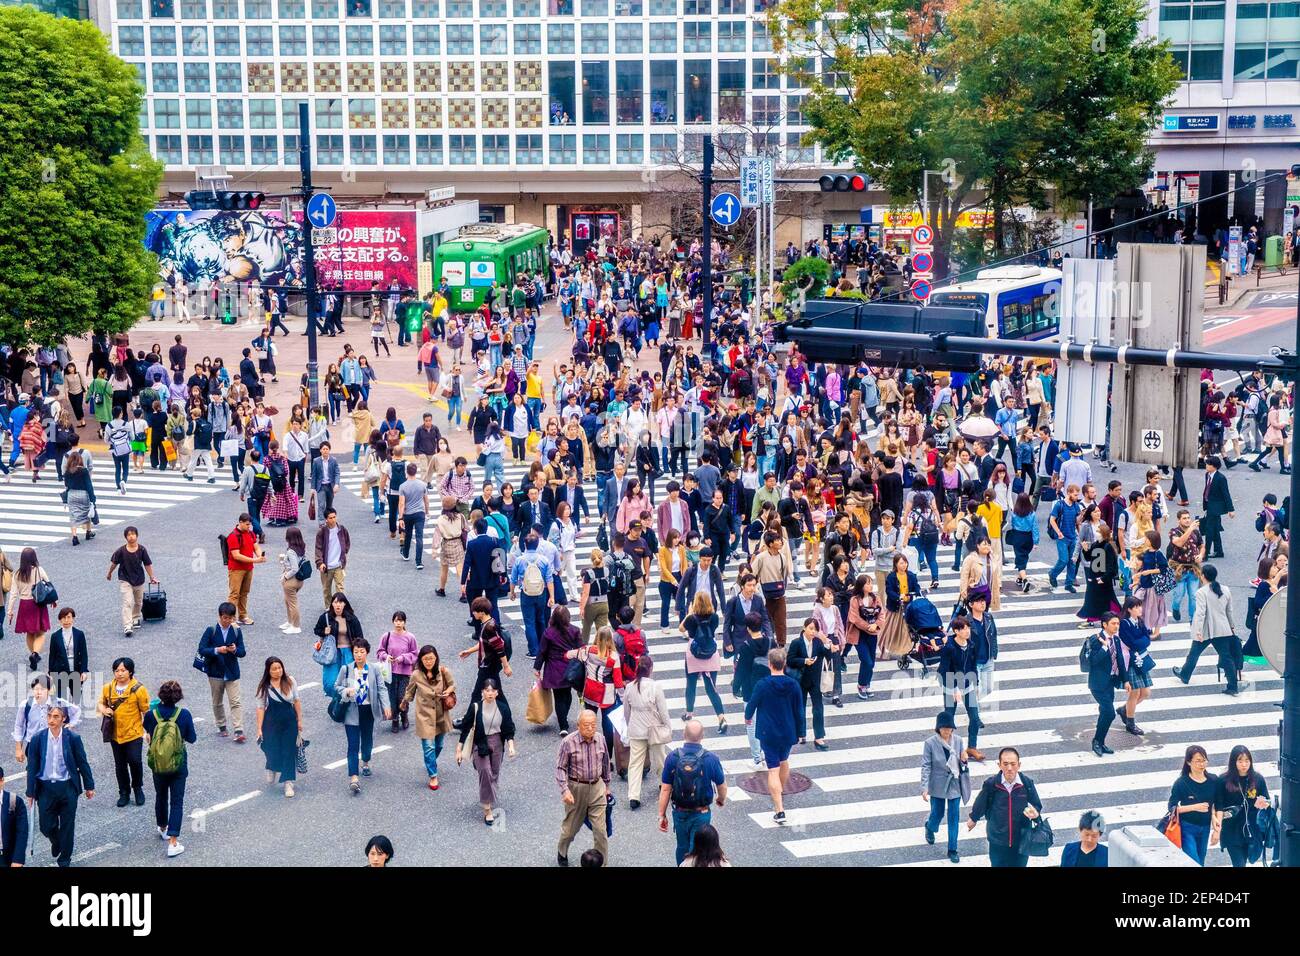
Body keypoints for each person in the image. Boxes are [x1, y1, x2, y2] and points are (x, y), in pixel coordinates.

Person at [24, 701, 95, 868]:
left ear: (64, 719)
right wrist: (30, 792)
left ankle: (65, 858)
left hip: (67, 787)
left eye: (56, 716)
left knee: (68, 825)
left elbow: (82, 762)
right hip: (46, 788)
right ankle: (56, 841)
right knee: (45, 826)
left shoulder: (73, 739)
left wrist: (89, 786)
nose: (51, 720)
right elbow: (32, 766)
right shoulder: (37, 739)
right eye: (49, 716)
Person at [745, 647, 803, 825]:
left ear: (769, 664)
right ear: (784, 663)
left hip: (768, 732)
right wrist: (801, 732)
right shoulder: (793, 684)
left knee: (772, 769)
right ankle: (780, 790)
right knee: (784, 760)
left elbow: (752, 704)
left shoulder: (763, 684)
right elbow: (799, 711)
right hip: (788, 730)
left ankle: (779, 809)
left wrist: (747, 717)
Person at [656, 718, 727, 865]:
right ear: (703, 736)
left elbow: (666, 788)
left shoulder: (673, 757)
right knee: (699, 850)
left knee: (682, 847)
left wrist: (661, 814)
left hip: (680, 812)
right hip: (701, 813)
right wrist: (720, 799)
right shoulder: (710, 758)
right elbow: (721, 785)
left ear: (684, 734)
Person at [142, 679, 197, 858]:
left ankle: (163, 827)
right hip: (178, 763)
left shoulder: (151, 715)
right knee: (177, 801)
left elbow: (148, 733)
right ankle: (173, 842)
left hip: (158, 763)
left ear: (160, 696)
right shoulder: (184, 714)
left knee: (161, 795)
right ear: (178, 697)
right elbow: (192, 738)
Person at [967, 747, 1042, 867]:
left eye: (1013, 764)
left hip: (1021, 840)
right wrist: (973, 818)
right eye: (1005, 764)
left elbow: (1036, 804)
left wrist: (1035, 813)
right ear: (999, 765)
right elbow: (981, 802)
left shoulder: (1026, 783)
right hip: (997, 840)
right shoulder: (991, 784)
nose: (1009, 768)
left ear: (1019, 765)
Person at [455, 677, 516, 825]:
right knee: (485, 772)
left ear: (497, 692)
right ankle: (487, 808)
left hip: (497, 743)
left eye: (493, 690)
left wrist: (511, 746)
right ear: (482, 692)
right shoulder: (476, 707)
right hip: (480, 742)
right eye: (487, 690)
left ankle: (488, 794)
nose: (490, 693)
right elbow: (466, 727)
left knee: (494, 773)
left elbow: (508, 729)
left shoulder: (503, 708)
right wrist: (459, 749)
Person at [334, 637, 391, 794]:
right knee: (353, 745)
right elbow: (336, 686)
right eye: (355, 652)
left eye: (361, 652)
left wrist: (386, 706)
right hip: (351, 710)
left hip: (368, 711)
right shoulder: (346, 669)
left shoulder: (374, 669)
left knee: (367, 741)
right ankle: (354, 777)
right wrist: (346, 691)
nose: (358, 655)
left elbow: (381, 688)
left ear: (367, 653)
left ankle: (365, 761)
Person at [555, 708, 611, 866]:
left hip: (596, 787)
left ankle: (601, 863)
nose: (590, 728)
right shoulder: (568, 742)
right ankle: (562, 851)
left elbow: (606, 762)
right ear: (578, 725)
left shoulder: (600, 739)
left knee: (600, 830)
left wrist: (606, 785)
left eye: (593, 725)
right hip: (576, 788)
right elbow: (560, 768)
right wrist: (565, 790)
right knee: (570, 829)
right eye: (586, 725)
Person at [400, 645, 457, 791]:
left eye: (431, 658)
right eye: (425, 659)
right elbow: (410, 691)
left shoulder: (444, 671)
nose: (428, 661)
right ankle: (433, 775)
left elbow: (452, 685)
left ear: (436, 658)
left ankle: (430, 761)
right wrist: (404, 703)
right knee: (429, 747)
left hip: (440, 714)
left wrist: (447, 691)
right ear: (421, 660)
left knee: (439, 745)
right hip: (424, 715)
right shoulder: (416, 675)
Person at [97, 657, 150, 808]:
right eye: (116, 670)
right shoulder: (108, 688)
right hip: (115, 734)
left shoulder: (139, 689)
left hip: (133, 733)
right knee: (119, 765)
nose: (119, 673)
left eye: (123, 670)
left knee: (135, 761)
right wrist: (104, 709)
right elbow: (101, 703)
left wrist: (148, 731)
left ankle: (138, 788)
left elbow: (146, 712)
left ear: (130, 671)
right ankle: (124, 792)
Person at [920, 710, 968, 864]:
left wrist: (965, 760)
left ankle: (952, 849)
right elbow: (926, 765)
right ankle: (929, 827)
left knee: (954, 817)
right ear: (938, 728)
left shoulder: (959, 741)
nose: (947, 731)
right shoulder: (930, 743)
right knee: (937, 814)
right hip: (938, 784)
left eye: (949, 728)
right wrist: (924, 786)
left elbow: (962, 764)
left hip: (954, 783)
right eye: (944, 728)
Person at [197, 602, 248, 743]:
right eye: (225, 618)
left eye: (230, 618)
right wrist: (217, 650)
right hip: (215, 672)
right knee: (217, 701)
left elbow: (243, 652)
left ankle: (238, 730)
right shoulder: (211, 630)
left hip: (232, 672)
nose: (227, 621)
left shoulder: (236, 631)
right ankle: (221, 726)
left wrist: (235, 650)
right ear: (220, 616)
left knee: (235, 701)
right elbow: (202, 649)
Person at [679, 590, 727, 733]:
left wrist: (689, 613)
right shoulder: (714, 617)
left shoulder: (691, 619)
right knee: (711, 689)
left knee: (691, 685)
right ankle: (721, 718)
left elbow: (681, 628)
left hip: (694, 654)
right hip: (711, 653)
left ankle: (689, 713)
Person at [255, 656, 303, 798]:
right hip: (271, 723)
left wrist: (299, 720)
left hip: (289, 722)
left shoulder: (290, 681)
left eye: (280, 667)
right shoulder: (264, 686)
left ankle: (288, 782)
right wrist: (259, 728)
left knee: (289, 750)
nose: (278, 671)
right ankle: (272, 766)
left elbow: (296, 701)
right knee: (271, 748)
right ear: (268, 671)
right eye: (274, 669)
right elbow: (260, 708)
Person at [1216, 745, 1271, 867]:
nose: (1244, 764)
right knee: (1239, 864)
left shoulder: (1257, 779)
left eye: (1247, 760)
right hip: (1231, 828)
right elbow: (1218, 805)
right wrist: (1217, 828)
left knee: (1244, 862)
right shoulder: (1223, 780)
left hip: (1251, 828)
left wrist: (1263, 804)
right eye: (1240, 761)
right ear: (1233, 762)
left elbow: (1267, 800)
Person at [1168, 744, 1220, 865]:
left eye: (1204, 760)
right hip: (1187, 827)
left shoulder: (1213, 780)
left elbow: (1217, 803)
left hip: (1205, 827)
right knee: (1193, 862)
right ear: (1188, 762)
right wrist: (1194, 807)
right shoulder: (1181, 783)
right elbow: (1172, 807)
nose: (1202, 764)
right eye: (1198, 761)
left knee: (1201, 860)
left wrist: (1213, 817)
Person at [536, 605, 583, 735]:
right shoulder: (574, 630)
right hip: (570, 667)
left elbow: (542, 651)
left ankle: (563, 724)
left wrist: (537, 667)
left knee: (558, 697)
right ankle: (564, 719)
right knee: (567, 694)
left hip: (554, 667)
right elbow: (581, 649)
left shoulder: (548, 633)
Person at [105, 526, 158, 639]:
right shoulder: (121, 551)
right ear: (126, 537)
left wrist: (152, 577)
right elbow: (114, 563)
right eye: (128, 534)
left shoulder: (142, 550)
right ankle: (127, 626)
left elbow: (147, 564)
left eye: (133, 534)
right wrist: (109, 573)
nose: (131, 536)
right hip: (125, 579)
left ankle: (136, 617)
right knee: (128, 602)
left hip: (139, 579)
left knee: (138, 602)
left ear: (137, 536)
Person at [7, 547, 52, 673]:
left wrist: (10, 611)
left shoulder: (17, 574)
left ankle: (33, 653)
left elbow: (13, 594)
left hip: (24, 605)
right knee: (42, 632)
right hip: (38, 603)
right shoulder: (39, 570)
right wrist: (54, 600)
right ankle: (35, 653)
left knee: (30, 633)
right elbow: (49, 584)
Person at [1084, 612, 1123, 757]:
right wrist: (1105, 648)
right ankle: (1096, 741)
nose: (1116, 626)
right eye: (1113, 623)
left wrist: (1125, 680)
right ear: (1104, 624)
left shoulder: (1116, 639)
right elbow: (1092, 661)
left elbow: (1119, 661)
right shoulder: (1096, 640)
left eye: (1118, 623)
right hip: (1098, 685)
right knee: (1110, 713)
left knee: (1104, 713)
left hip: (1110, 683)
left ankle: (1100, 742)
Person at [1117, 596, 1153, 735]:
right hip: (1130, 661)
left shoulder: (1139, 621)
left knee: (1146, 693)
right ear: (1129, 609)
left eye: (1140, 606)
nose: (1140, 609)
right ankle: (1130, 724)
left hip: (1140, 659)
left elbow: (1147, 640)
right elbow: (1132, 643)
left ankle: (1124, 710)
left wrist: (1140, 641)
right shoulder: (1124, 624)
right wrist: (1141, 641)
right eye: (1137, 607)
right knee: (1135, 693)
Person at [314, 592, 362, 698]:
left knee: (349, 680)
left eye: (340, 602)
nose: (338, 605)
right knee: (330, 682)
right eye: (335, 602)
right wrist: (324, 632)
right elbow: (317, 630)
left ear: (345, 604)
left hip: (348, 652)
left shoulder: (352, 619)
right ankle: (337, 699)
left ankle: (346, 702)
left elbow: (359, 637)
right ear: (332, 604)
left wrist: (359, 652)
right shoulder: (326, 617)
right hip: (332, 652)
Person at [225, 513, 265, 627]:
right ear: (240, 522)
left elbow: (255, 546)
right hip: (236, 569)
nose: (249, 527)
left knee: (244, 593)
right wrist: (255, 560)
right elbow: (236, 555)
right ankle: (231, 618)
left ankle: (242, 616)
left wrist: (259, 555)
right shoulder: (233, 536)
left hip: (248, 568)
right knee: (234, 594)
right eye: (247, 524)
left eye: (250, 525)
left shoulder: (250, 533)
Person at [46, 607, 89, 704]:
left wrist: (84, 671)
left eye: (69, 617)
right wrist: (51, 673)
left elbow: (84, 654)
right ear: (60, 620)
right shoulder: (55, 636)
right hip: (60, 670)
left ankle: (74, 716)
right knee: (61, 698)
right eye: (63, 618)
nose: (66, 620)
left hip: (76, 669)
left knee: (76, 696)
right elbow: (52, 655)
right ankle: (63, 716)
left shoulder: (79, 634)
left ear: (73, 618)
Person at [314, 508, 351, 609]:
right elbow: (318, 548)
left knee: (340, 588)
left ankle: (340, 607)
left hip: (339, 565)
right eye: (330, 518)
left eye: (334, 517)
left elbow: (347, 542)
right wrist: (320, 562)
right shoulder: (322, 532)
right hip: (326, 566)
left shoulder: (342, 529)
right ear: (326, 519)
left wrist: (344, 554)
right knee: (327, 589)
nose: (333, 520)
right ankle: (328, 608)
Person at [1201, 455, 1234, 558]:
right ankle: (1219, 551)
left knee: (1209, 529)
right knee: (1215, 528)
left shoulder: (1221, 478)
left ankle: (1205, 554)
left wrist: (1230, 509)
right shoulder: (1207, 475)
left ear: (1214, 466)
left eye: (1208, 464)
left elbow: (1226, 494)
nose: (1206, 465)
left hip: (1215, 507)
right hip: (1209, 504)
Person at [0, 764, 29, 866]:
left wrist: (18, 859)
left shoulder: (14, 801)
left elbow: (22, 832)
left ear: (2, 781)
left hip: (7, 856)